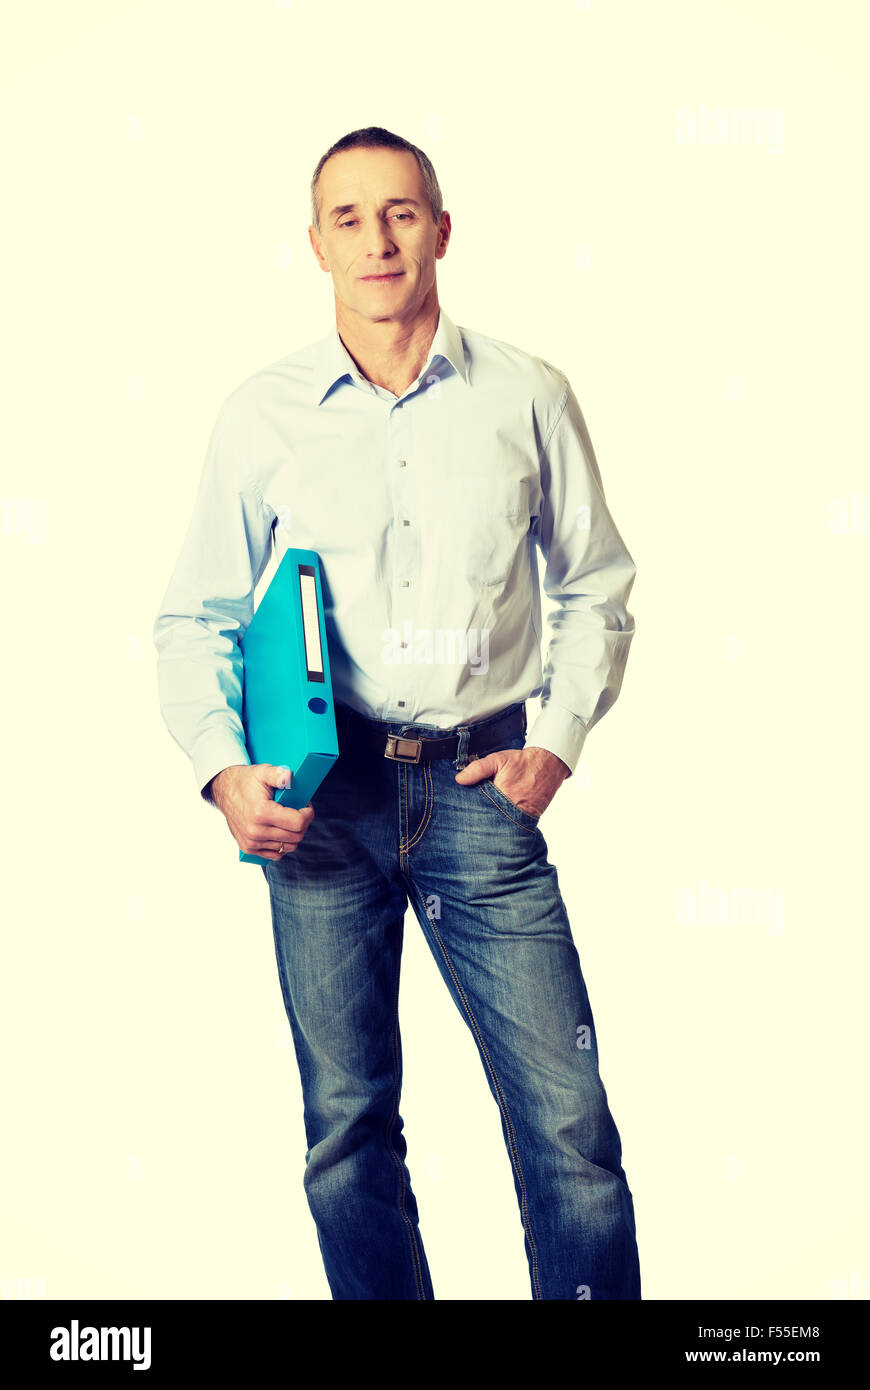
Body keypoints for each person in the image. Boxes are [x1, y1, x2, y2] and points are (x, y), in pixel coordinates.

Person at [153, 125, 641, 1300]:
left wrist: (556, 745)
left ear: (442, 229)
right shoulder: (261, 414)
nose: (377, 240)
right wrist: (227, 773)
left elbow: (598, 585)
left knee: (569, 1130)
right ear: (315, 243)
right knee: (345, 1134)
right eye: (348, 218)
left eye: (401, 213)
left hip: (481, 794)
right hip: (323, 808)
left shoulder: (528, 393)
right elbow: (195, 617)